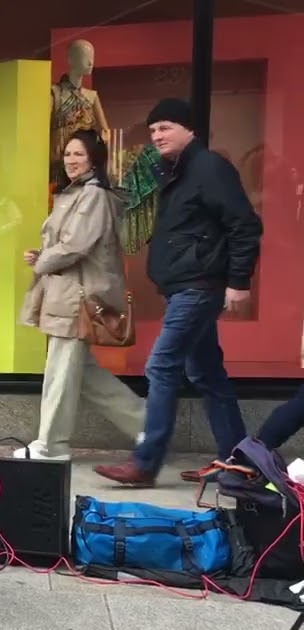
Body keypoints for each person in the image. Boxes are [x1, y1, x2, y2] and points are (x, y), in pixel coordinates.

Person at [94, 98, 261, 487]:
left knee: (161, 365)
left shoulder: (209, 168)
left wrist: (239, 281)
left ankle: (145, 462)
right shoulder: (172, 172)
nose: (157, 135)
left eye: (166, 127)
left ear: (190, 130)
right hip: (184, 284)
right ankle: (239, 461)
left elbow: (244, 225)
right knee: (207, 374)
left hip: (199, 285)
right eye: (153, 130)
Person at [16, 129, 145, 461]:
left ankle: (51, 445)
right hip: (68, 291)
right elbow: (70, 243)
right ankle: (149, 425)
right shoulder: (76, 193)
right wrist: (43, 255)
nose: (71, 160)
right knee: (83, 374)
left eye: (79, 154)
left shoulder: (92, 195)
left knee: (60, 372)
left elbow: (76, 245)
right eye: (68, 154)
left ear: (93, 160)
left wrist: (44, 260)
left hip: (76, 296)